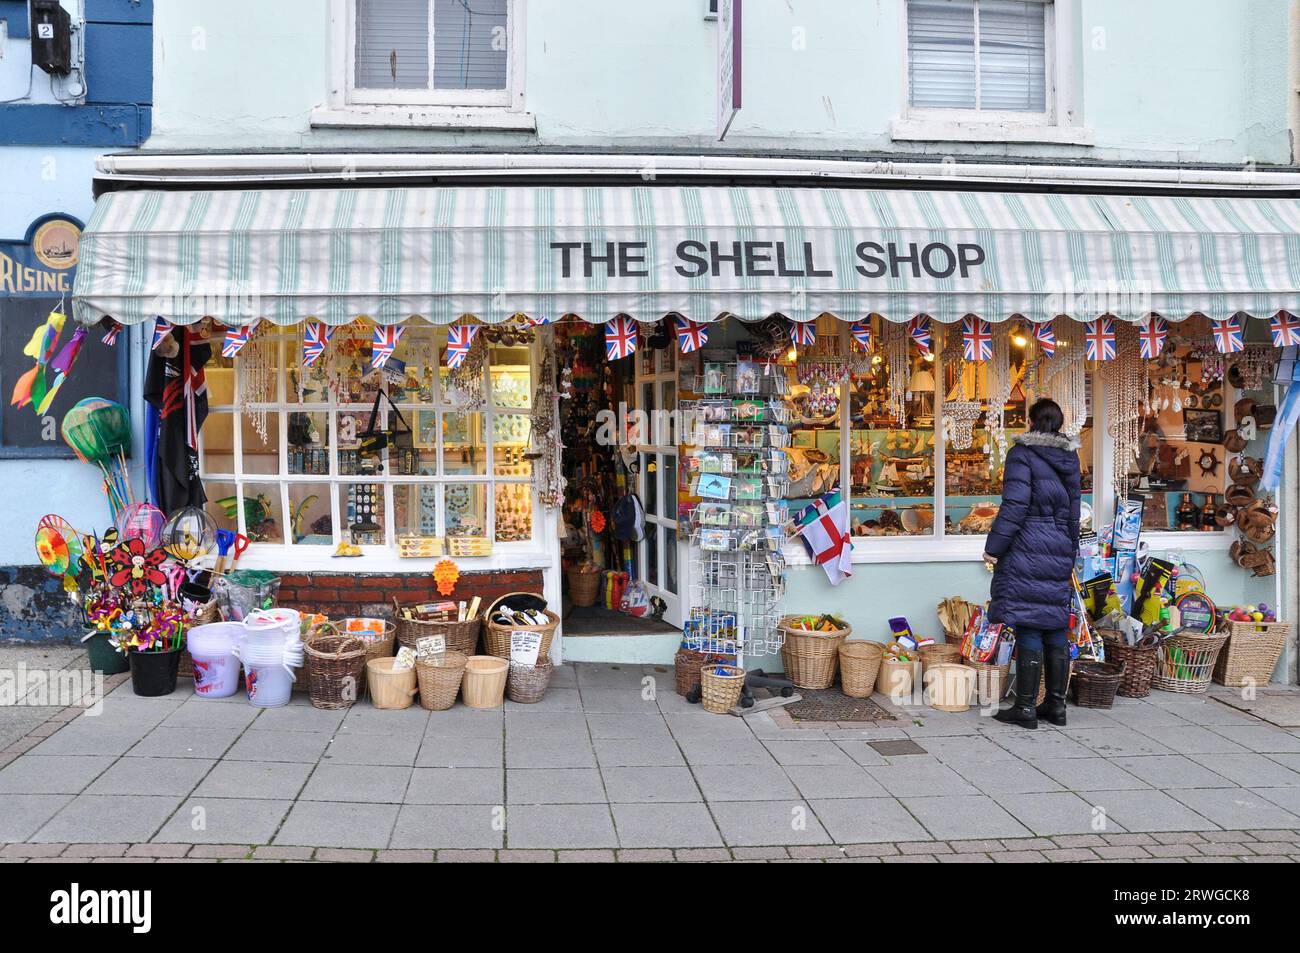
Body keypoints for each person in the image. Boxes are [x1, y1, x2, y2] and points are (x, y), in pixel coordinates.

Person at [982, 398, 1082, 729]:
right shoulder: (1070, 455)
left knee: (1027, 621)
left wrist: (993, 547)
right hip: (1059, 547)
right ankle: (1056, 706)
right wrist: (1071, 551)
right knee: (1054, 624)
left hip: (1027, 544)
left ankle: (1025, 707)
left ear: (1031, 420)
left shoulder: (1022, 454)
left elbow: (1015, 505)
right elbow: (1074, 509)